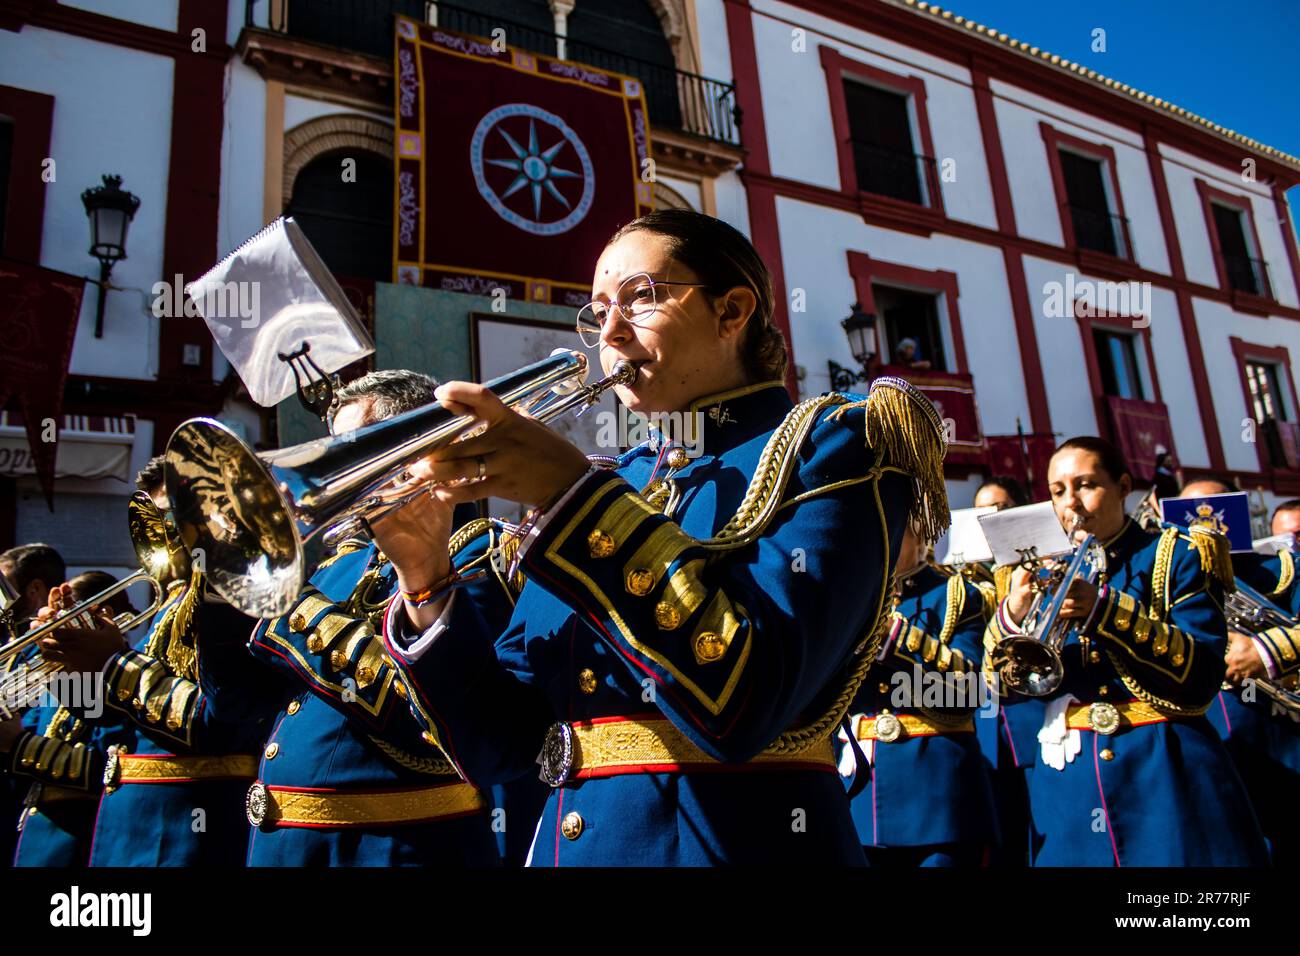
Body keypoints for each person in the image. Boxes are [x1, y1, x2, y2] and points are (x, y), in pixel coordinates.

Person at [375, 209, 948, 865]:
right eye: (597, 312)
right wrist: (425, 576)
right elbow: (498, 747)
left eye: (640, 298)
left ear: (733, 311)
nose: (610, 333)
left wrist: (571, 497)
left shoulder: (837, 442)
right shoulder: (612, 481)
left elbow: (748, 700)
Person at [242, 370, 537, 866]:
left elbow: (441, 722)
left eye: (348, 452)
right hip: (287, 847)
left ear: (412, 448)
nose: (330, 471)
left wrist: (293, 608)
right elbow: (237, 702)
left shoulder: (479, 553)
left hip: (394, 847)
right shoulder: (338, 565)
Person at [986, 437, 1267, 865]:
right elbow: (997, 689)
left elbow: (1201, 675)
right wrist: (1013, 614)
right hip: (1072, 783)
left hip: (1166, 769)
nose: (1071, 504)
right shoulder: (1040, 570)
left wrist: (1104, 611)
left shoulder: (1178, 554)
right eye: (1058, 491)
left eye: (1086, 485)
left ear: (1122, 486)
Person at [36, 456, 281, 866]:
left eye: (174, 515)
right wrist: (70, 665)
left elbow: (221, 723)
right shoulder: (170, 602)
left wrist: (114, 663)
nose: (163, 529)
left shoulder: (234, 602)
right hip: (129, 820)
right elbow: (114, 721)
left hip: (189, 824)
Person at [837, 523, 998, 866]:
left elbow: (969, 693)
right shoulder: (851, 596)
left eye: (892, 530)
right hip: (860, 793)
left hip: (937, 798)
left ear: (920, 534)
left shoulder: (956, 594)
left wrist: (893, 638)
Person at [1181, 480, 1300, 865]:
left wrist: (1265, 650)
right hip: (1210, 749)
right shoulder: (1166, 580)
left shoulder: (1282, 570)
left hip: (1285, 738)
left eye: (1217, 507)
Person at [4, 571, 135, 866]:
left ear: (105, 615)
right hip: (33, 842)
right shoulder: (55, 687)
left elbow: (108, 764)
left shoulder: (125, 686)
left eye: (66, 619)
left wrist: (19, 745)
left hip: (81, 842)